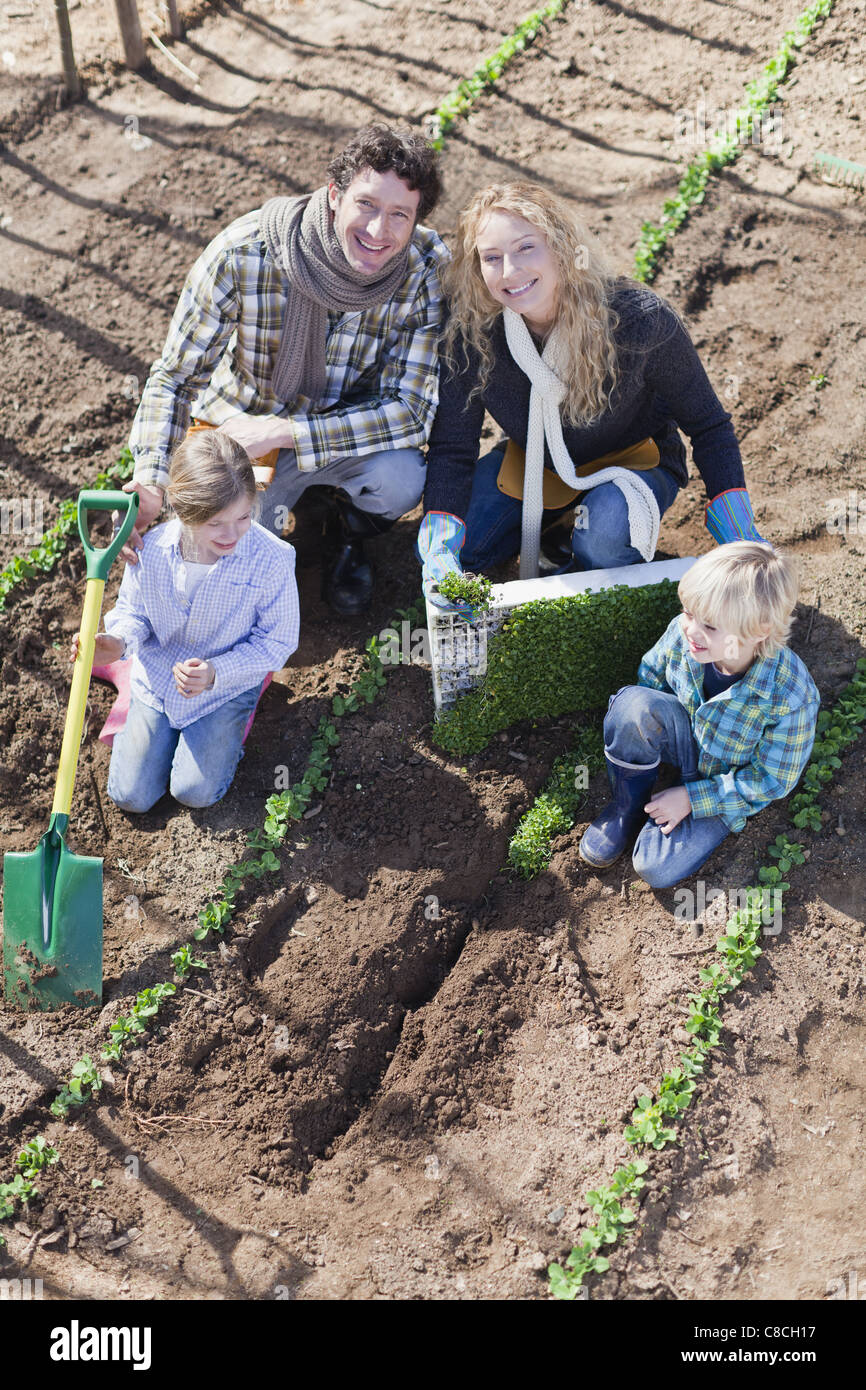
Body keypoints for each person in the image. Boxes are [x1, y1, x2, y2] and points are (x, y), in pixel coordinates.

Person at [124, 124, 447, 615]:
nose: (379, 231)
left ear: (416, 219)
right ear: (335, 194)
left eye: (399, 214)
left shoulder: (424, 269)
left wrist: (283, 431)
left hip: (335, 435)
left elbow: (411, 413)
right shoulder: (244, 253)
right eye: (367, 204)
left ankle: (344, 530)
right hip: (239, 433)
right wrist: (151, 479)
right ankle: (280, 521)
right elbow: (175, 377)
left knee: (402, 476)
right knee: (224, 549)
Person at [418, 182, 765, 607]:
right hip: (537, 461)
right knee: (467, 549)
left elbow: (709, 426)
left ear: (560, 246)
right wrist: (439, 546)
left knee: (602, 541)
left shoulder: (639, 321)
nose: (509, 271)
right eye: (492, 258)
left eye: (526, 247)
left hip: (634, 460)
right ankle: (559, 528)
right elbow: (453, 444)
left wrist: (739, 533)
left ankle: (574, 557)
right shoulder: (472, 331)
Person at [70, 431, 300, 812]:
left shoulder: (272, 559)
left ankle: (244, 704)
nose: (231, 534)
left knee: (194, 791)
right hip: (159, 677)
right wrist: (115, 644)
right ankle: (131, 685)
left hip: (224, 686)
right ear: (180, 506)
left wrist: (217, 672)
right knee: (131, 796)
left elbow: (277, 641)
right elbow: (134, 613)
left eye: (242, 517)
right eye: (214, 523)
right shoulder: (151, 549)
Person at [577, 542, 820, 889]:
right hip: (684, 741)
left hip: (726, 779)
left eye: (709, 625)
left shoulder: (791, 696)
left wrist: (693, 798)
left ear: (759, 631)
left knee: (654, 867)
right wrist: (644, 735)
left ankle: (677, 800)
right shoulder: (684, 634)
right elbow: (650, 681)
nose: (690, 629)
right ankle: (626, 807)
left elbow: (770, 780)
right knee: (632, 705)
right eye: (689, 612)